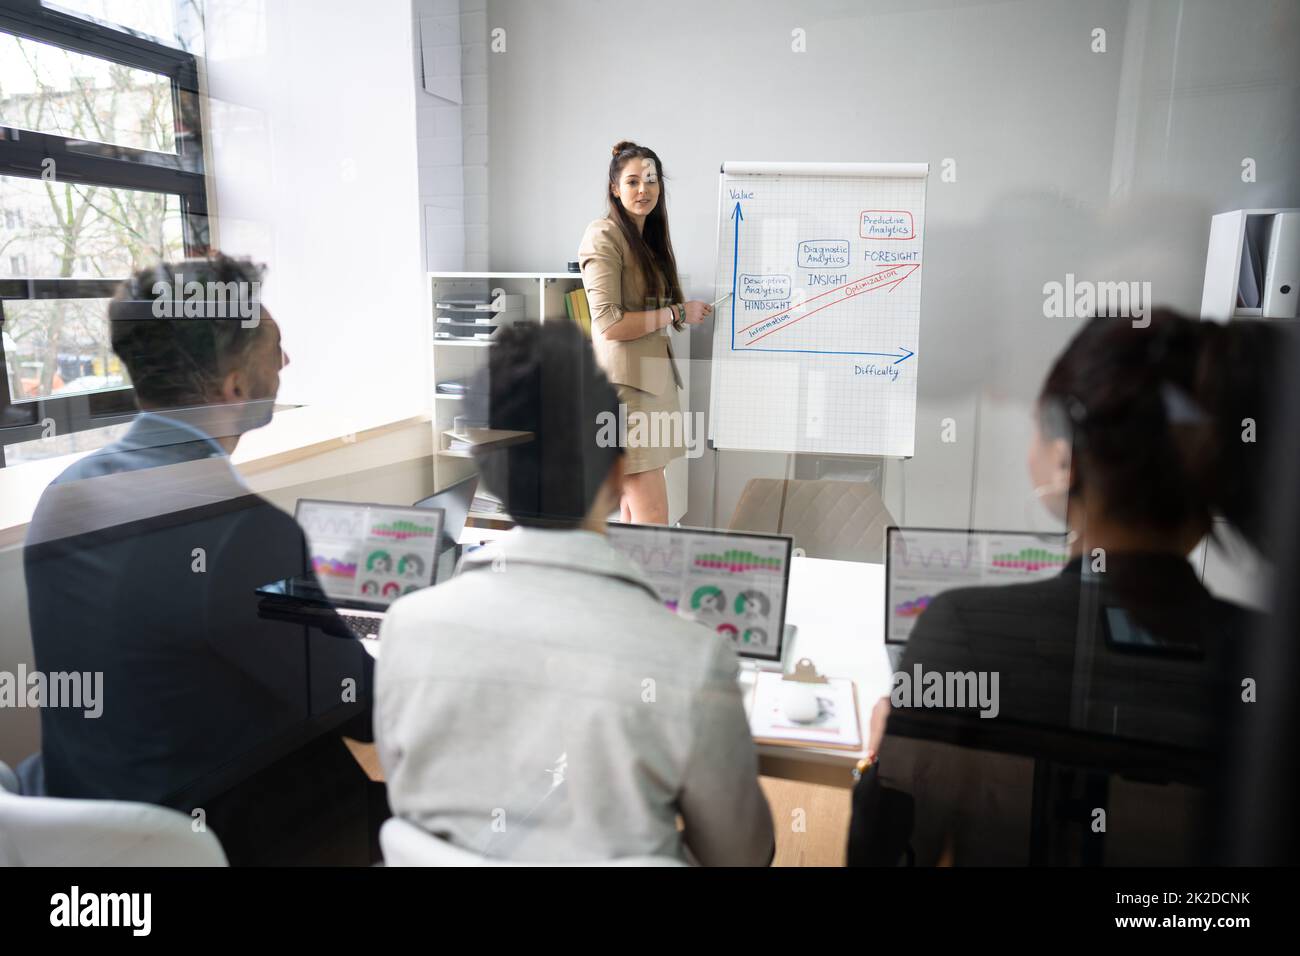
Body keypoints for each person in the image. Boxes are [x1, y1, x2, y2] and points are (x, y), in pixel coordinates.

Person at [849, 309, 1284, 866]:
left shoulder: (966, 632)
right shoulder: (1266, 654)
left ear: (1064, 458)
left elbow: (885, 859)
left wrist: (879, 760)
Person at [23, 254, 380, 865]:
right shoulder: (242, 533)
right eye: (275, 346)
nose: (286, 362)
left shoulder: (65, 495)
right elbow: (363, 710)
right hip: (210, 839)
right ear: (234, 387)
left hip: (72, 828)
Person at [376, 321, 773, 865]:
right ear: (617, 471)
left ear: (488, 477)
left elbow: (410, 804)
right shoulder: (692, 659)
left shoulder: (406, 628)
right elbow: (742, 855)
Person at [578, 140, 713, 524]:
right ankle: (650, 585)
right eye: (633, 181)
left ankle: (627, 583)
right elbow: (610, 323)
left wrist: (684, 311)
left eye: (650, 180)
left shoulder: (648, 241)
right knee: (654, 515)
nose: (643, 190)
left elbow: (655, 310)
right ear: (614, 188)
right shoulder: (603, 235)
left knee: (633, 512)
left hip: (651, 387)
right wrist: (675, 312)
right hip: (626, 395)